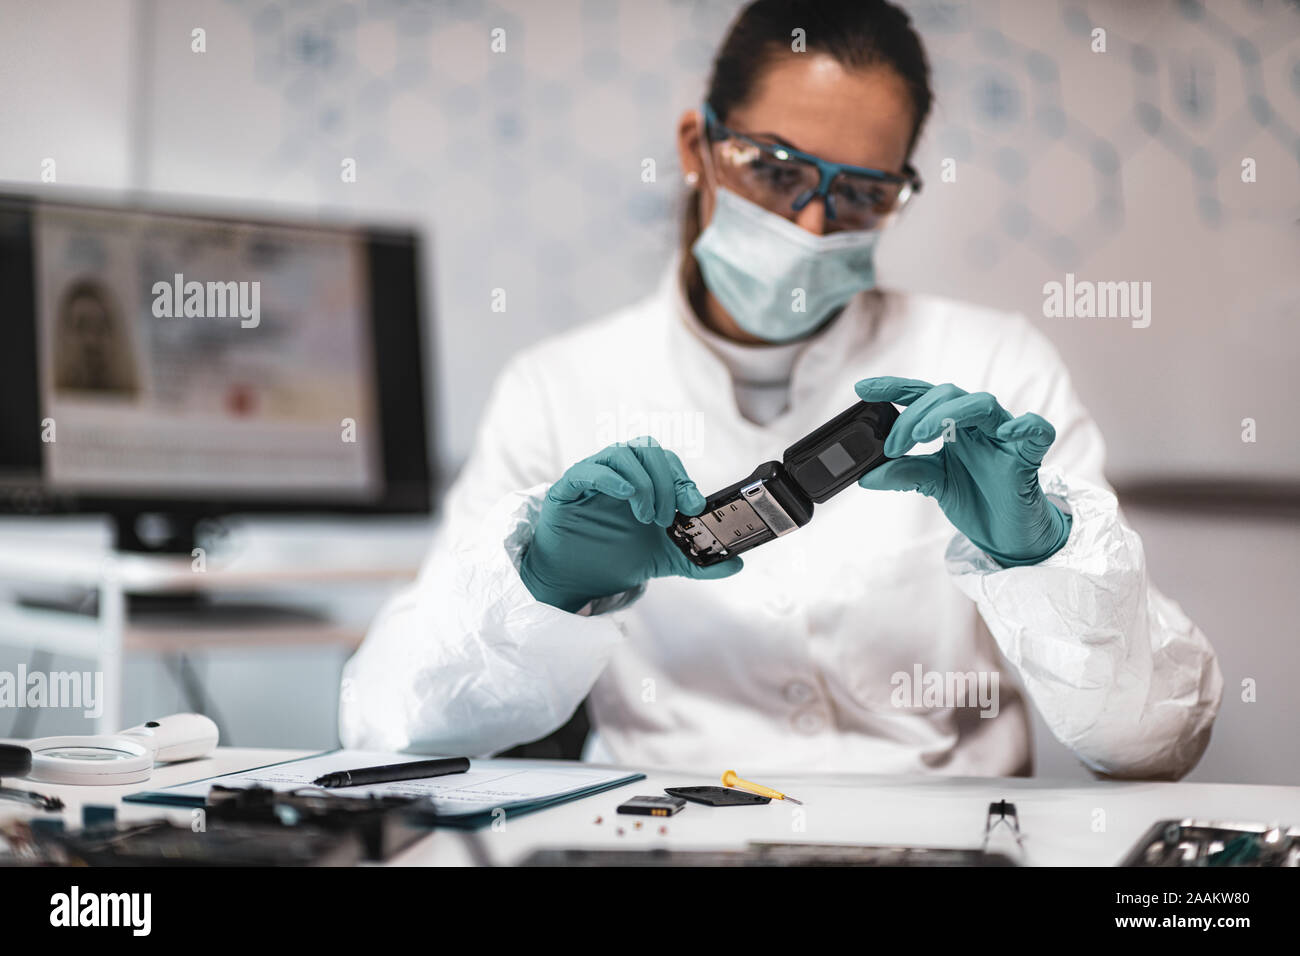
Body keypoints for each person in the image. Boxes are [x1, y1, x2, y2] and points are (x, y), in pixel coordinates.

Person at [340, 0, 1221, 779]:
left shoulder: (993, 367)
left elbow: (1151, 743)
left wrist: (1042, 557)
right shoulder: (557, 385)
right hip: (659, 838)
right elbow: (388, 727)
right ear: (701, 148)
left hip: (943, 840)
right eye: (775, 168)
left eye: (862, 192)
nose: (810, 222)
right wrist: (543, 583)